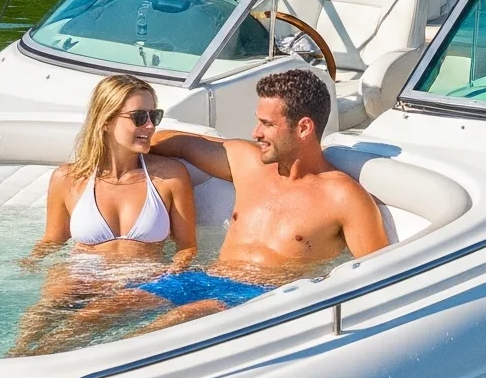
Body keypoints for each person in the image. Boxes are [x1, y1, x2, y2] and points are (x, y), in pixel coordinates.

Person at [13, 74, 196, 355]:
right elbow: (53, 239)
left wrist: (171, 274)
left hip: (143, 276)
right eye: (138, 117)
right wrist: (27, 263)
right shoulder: (68, 179)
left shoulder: (169, 177)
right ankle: (15, 355)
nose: (149, 125)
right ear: (107, 120)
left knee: (82, 324)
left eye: (153, 115)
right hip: (84, 273)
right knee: (46, 310)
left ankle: (35, 362)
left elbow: (187, 246)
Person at [152, 68, 389, 272]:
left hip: (260, 303)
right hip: (206, 280)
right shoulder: (248, 161)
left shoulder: (343, 196)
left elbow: (378, 275)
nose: (256, 133)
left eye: (267, 124)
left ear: (304, 128)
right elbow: (176, 142)